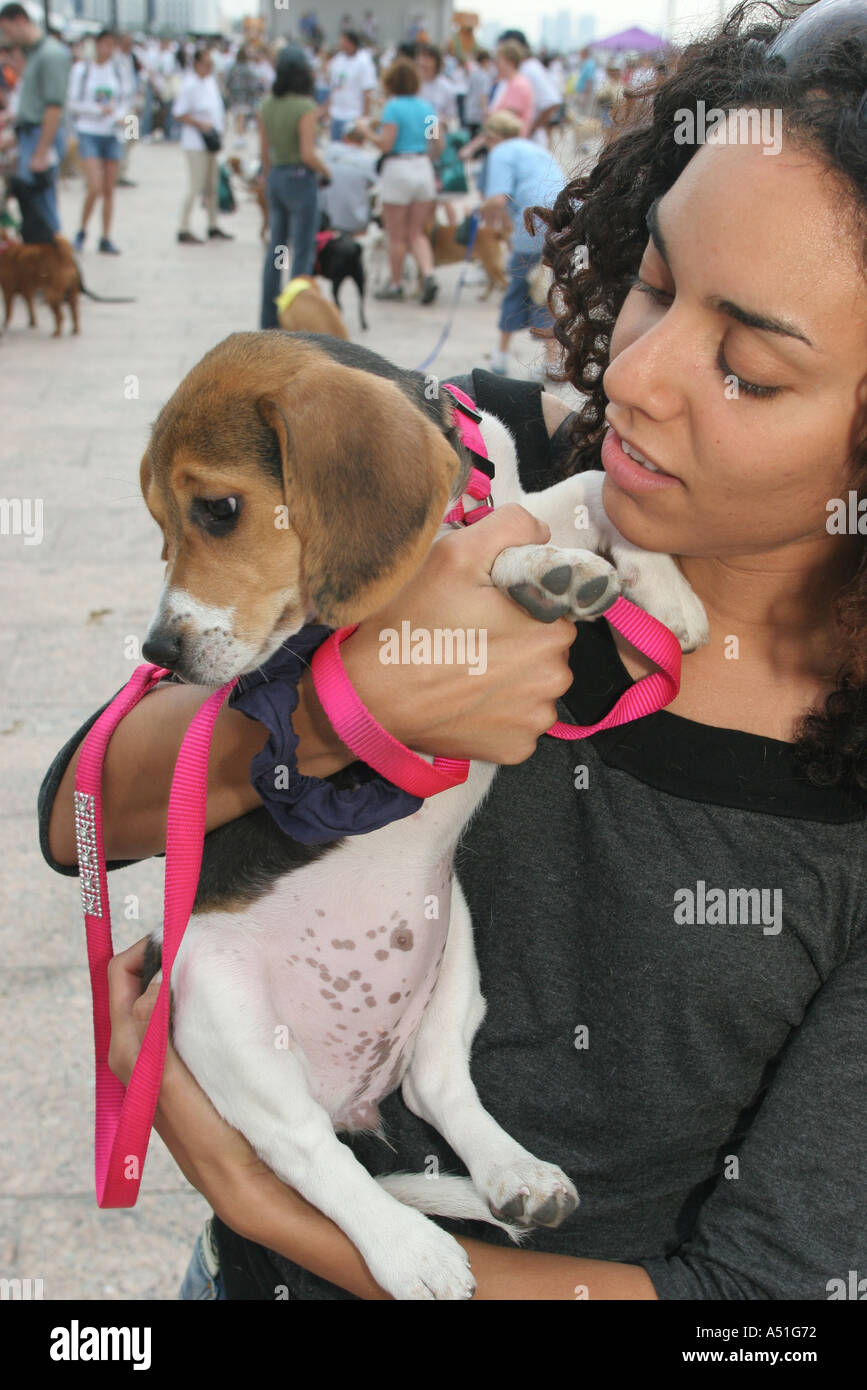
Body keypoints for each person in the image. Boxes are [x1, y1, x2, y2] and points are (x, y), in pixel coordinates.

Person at [40, 0, 867, 1301]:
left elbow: (763, 1308)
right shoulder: (471, 474)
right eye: (653, 280)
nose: (638, 374)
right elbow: (76, 815)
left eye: (746, 367)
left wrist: (284, 1210)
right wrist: (324, 713)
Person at [478, 109, 563, 378]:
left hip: (533, 226)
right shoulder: (534, 149)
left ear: (492, 136)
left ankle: (501, 357)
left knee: (519, 288)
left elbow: (497, 199)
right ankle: (552, 361)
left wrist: (480, 213)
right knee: (544, 290)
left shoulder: (500, 153)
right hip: (562, 223)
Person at [354, 55, 440, 305]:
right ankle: (428, 274)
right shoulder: (427, 107)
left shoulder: (392, 107)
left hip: (398, 169)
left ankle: (396, 284)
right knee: (416, 234)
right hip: (422, 166)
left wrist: (365, 130)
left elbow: (385, 143)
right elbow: (436, 142)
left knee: (396, 235)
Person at [258, 44, 329, 330]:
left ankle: (268, 320)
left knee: (276, 251)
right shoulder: (305, 107)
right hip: (301, 179)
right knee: (301, 253)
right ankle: (296, 323)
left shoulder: (266, 105)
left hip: (276, 176)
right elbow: (308, 153)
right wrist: (327, 171)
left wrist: (269, 180)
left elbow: (264, 153)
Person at [0, 2, 70, 233]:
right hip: (31, 136)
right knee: (34, 208)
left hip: (41, 137)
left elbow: (53, 107)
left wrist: (41, 152)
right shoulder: (37, 54)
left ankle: (55, 262)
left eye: (7, 30)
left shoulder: (50, 54)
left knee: (42, 208)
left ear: (20, 21)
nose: (7, 37)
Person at [68, 30, 125, 255]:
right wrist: (97, 110)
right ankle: (82, 230)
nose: (108, 49)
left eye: (112, 44)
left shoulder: (119, 71)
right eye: (105, 44)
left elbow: (128, 101)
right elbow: (72, 103)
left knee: (109, 189)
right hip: (88, 131)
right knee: (95, 187)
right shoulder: (82, 70)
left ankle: (106, 236)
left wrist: (130, 132)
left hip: (113, 133)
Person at [172, 47, 231, 246]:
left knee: (212, 185)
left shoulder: (210, 82)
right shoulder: (189, 85)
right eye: (206, 63)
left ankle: (213, 225)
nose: (209, 67)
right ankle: (183, 227)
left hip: (211, 141)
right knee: (195, 186)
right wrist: (200, 124)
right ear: (197, 63)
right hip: (196, 142)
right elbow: (179, 113)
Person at [319, 123, 378, 235]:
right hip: (356, 221)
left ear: (344, 137)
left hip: (327, 219)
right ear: (364, 139)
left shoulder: (330, 150)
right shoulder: (370, 160)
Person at [326, 29, 375, 141]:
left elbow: (367, 91)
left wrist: (365, 117)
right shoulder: (338, 59)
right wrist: (328, 109)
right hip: (336, 113)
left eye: (343, 41)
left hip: (354, 115)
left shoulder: (364, 61)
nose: (340, 44)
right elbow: (334, 87)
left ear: (351, 43)